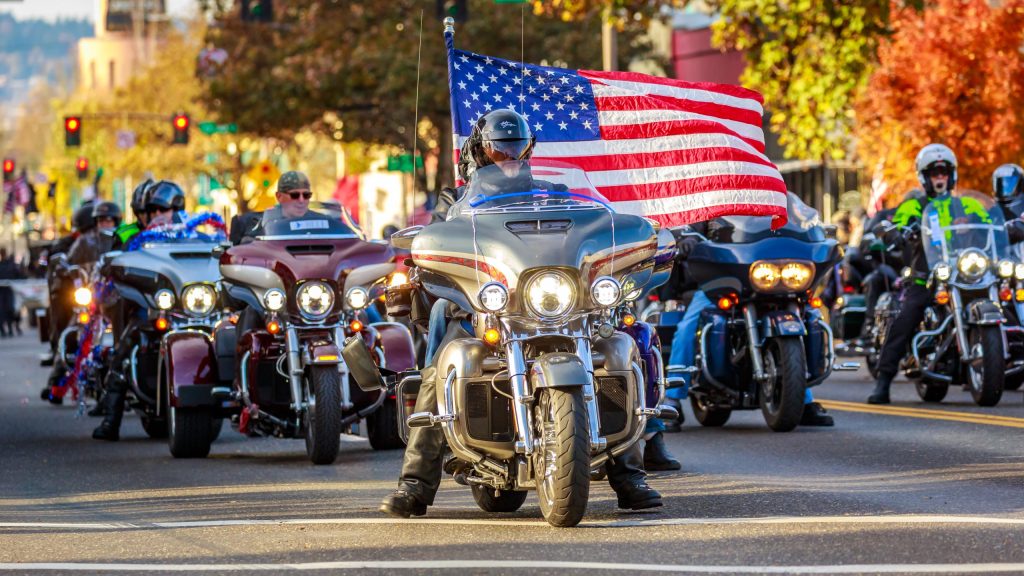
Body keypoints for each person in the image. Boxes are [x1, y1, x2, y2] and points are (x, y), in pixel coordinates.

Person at [379, 110, 664, 518]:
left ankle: (630, 476)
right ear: (481, 151)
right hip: (486, 306)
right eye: (500, 148)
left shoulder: (556, 195)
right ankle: (414, 486)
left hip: (556, 302)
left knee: (618, 351)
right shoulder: (457, 202)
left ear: (528, 148)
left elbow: (594, 224)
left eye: (516, 147)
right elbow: (433, 245)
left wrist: (621, 234)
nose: (509, 156)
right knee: (443, 366)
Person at [663, 213, 834, 427]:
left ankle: (803, 400)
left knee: (809, 315)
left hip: (771, 276)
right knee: (687, 329)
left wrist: (814, 229)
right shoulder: (714, 203)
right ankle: (672, 400)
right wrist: (689, 237)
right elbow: (696, 224)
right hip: (724, 280)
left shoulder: (774, 202)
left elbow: (797, 221)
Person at [867, 144, 991, 404]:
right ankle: (883, 380)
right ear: (925, 177)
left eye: (944, 171)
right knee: (906, 316)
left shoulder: (966, 204)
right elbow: (897, 223)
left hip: (966, 273)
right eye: (934, 172)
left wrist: (1009, 228)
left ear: (952, 174)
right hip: (927, 276)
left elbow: (990, 223)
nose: (940, 177)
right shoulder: (914, 205)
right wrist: (895, 231)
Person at [92, 182, 186, 440]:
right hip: (146, 307)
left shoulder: (190, 234)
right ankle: (111, 420)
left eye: (162, 210)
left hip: (187, 309)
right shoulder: (133, 238)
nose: (156, 216)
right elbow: (113, 267)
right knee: (124, 349)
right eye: (152, 211)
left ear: (177, 209)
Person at [230, 171, 312, 244]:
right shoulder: (253, 225)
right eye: (295, 195)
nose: (301, 200)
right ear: (279, 196)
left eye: (306, 195)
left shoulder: (317, 222)